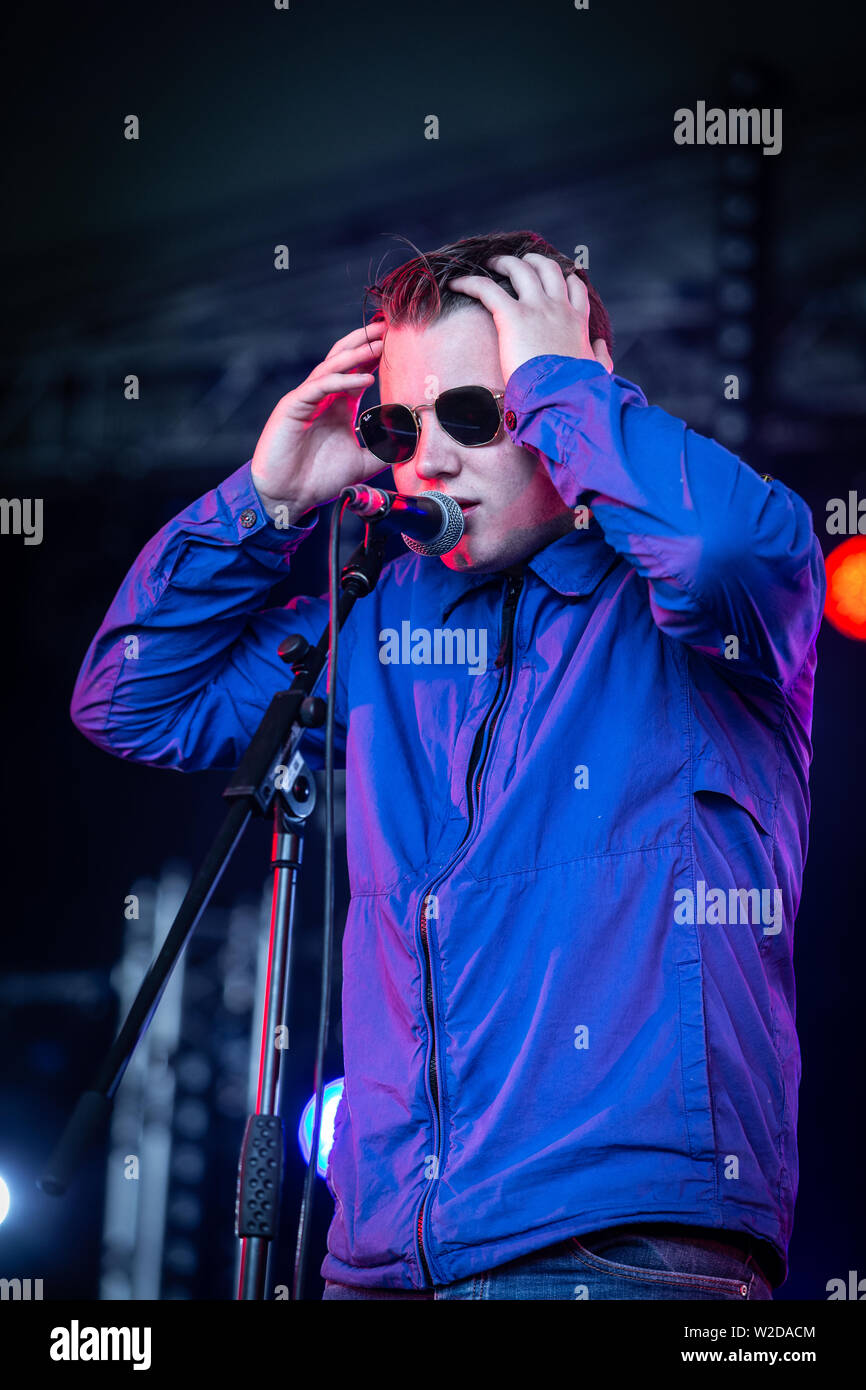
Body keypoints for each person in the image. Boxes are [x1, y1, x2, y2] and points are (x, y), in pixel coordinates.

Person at [71, 230, 826, 1301]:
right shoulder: (382, 622)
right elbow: (133, 699)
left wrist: (563, 386)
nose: (426, 458)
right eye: (397, 424)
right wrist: (266, 500)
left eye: (476, 413)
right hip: (379, 1258)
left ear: (570, 400)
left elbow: (719, 549)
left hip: (614, 1247)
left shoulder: (708, 609)